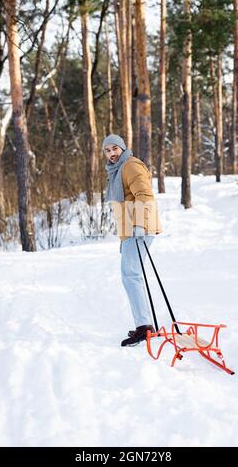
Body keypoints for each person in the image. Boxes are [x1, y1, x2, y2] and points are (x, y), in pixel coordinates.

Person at [102, 134, 162, 347]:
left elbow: (144, 196)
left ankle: (144, 327)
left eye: (114, 149)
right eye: (107, 150)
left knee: (131, 275)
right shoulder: (118, 169)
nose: (111, 154)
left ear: (122, 148)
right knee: (132, 275)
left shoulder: (130, 165)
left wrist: (140, 225)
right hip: (131, 231)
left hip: (139, 229)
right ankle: (144, 324)